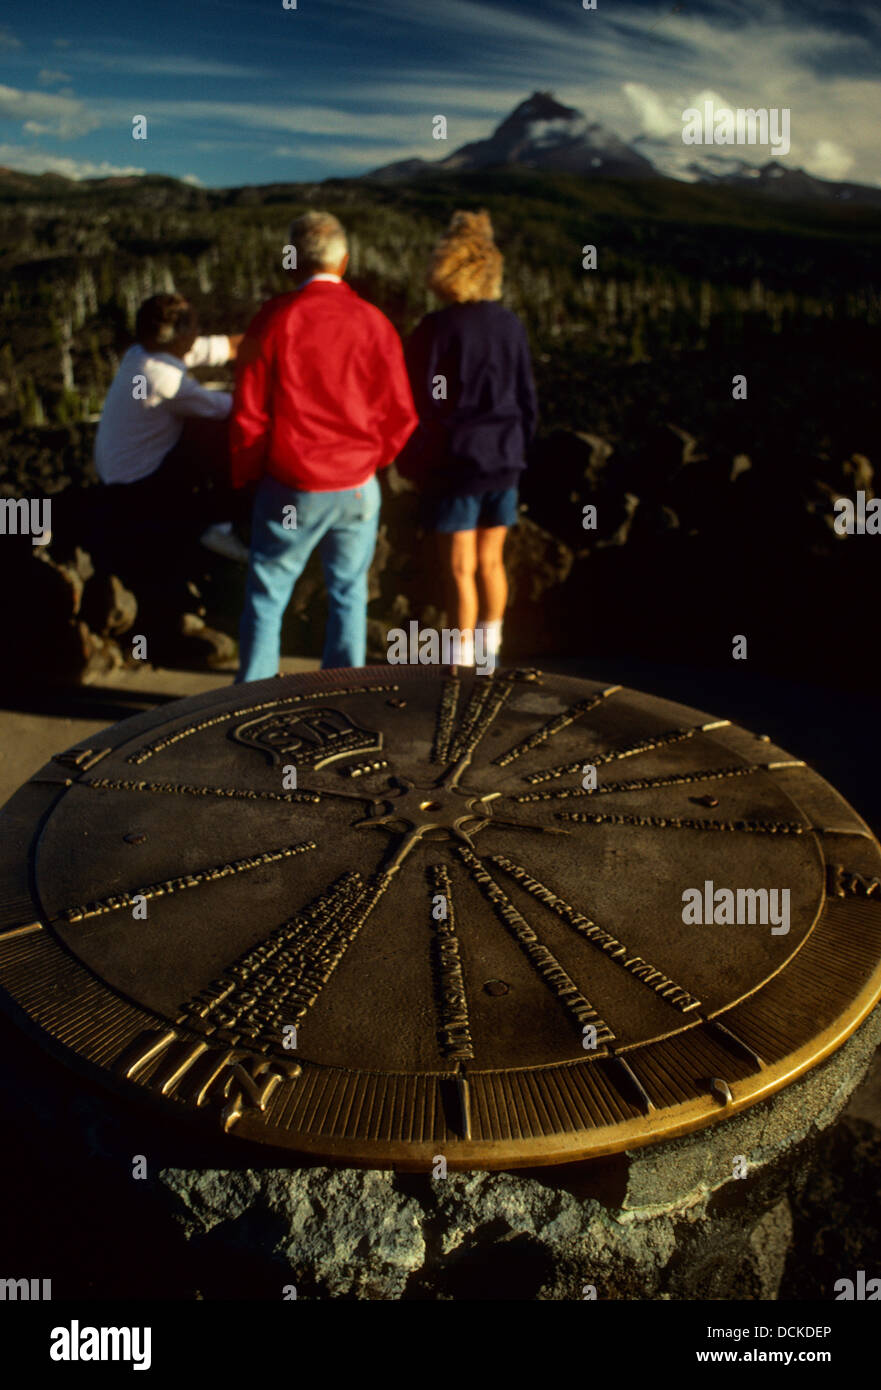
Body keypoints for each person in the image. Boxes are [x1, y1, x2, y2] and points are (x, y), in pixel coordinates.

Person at [231, 210, 418, 680]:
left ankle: (250, 698)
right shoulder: (375, 323)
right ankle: (343, 693)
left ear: (293, 262)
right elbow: (402, 415)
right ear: (345, 261)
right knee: (350, 593)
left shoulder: (274, 320)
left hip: (292, 485)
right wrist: (371, 460)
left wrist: (246, 476)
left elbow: (248, 415)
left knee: (268, 594)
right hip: (357, 485)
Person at [398, 210, 538, 672]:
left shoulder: (436, 329)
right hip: (504, 458)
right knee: (491, 563)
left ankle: (459, 665)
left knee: (459, 568)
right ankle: (489, 657)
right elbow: (526, 398)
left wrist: (414, 462)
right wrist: (519, 450)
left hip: (456, 463)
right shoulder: (510, 325)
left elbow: (417, 402)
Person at [94, 293, 248, 582]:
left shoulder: (142, 352)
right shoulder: (163, 379)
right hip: (137, 488)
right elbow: (235, 409)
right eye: (195, 327)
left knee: (200, 422)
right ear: (183, 336)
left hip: (119, 471)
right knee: (224, 427)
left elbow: (228, 346)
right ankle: (218, 524)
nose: (199, 332)